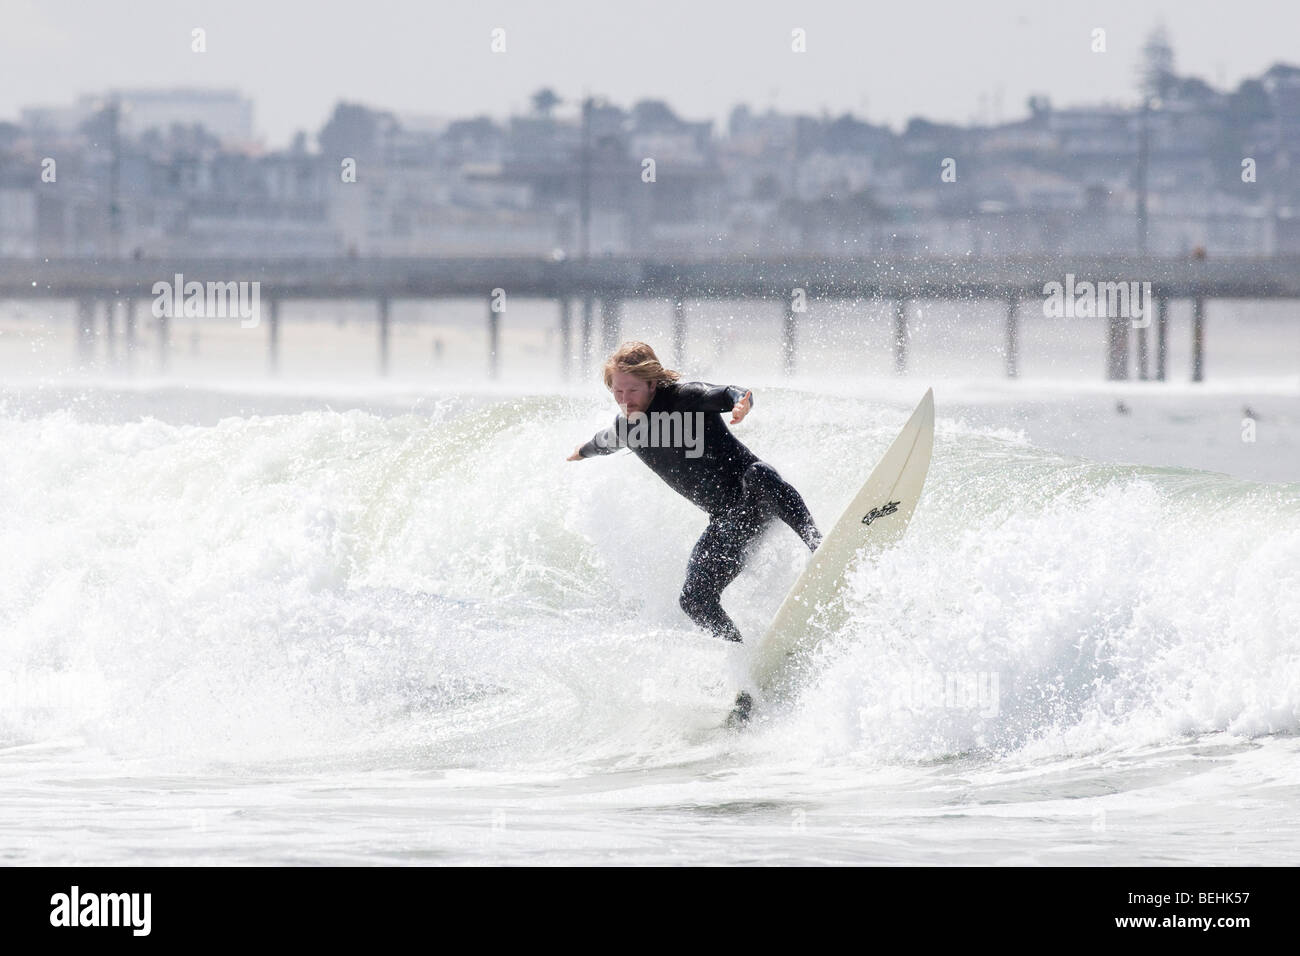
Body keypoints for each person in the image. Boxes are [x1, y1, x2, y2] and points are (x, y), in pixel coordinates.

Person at [568, 341, 822, 646]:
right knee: (694, 599)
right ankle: (743, 660)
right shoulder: (627, 429)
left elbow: (731, 392)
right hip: (728, 522)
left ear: (652, 383)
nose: (625, 400)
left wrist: (742, 404)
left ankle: (819, 546)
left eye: (632, 390)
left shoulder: (686, 398)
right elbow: (602, 442)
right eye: (618, 392)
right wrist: (581, 452)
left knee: (758, 473)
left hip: (760, 495)